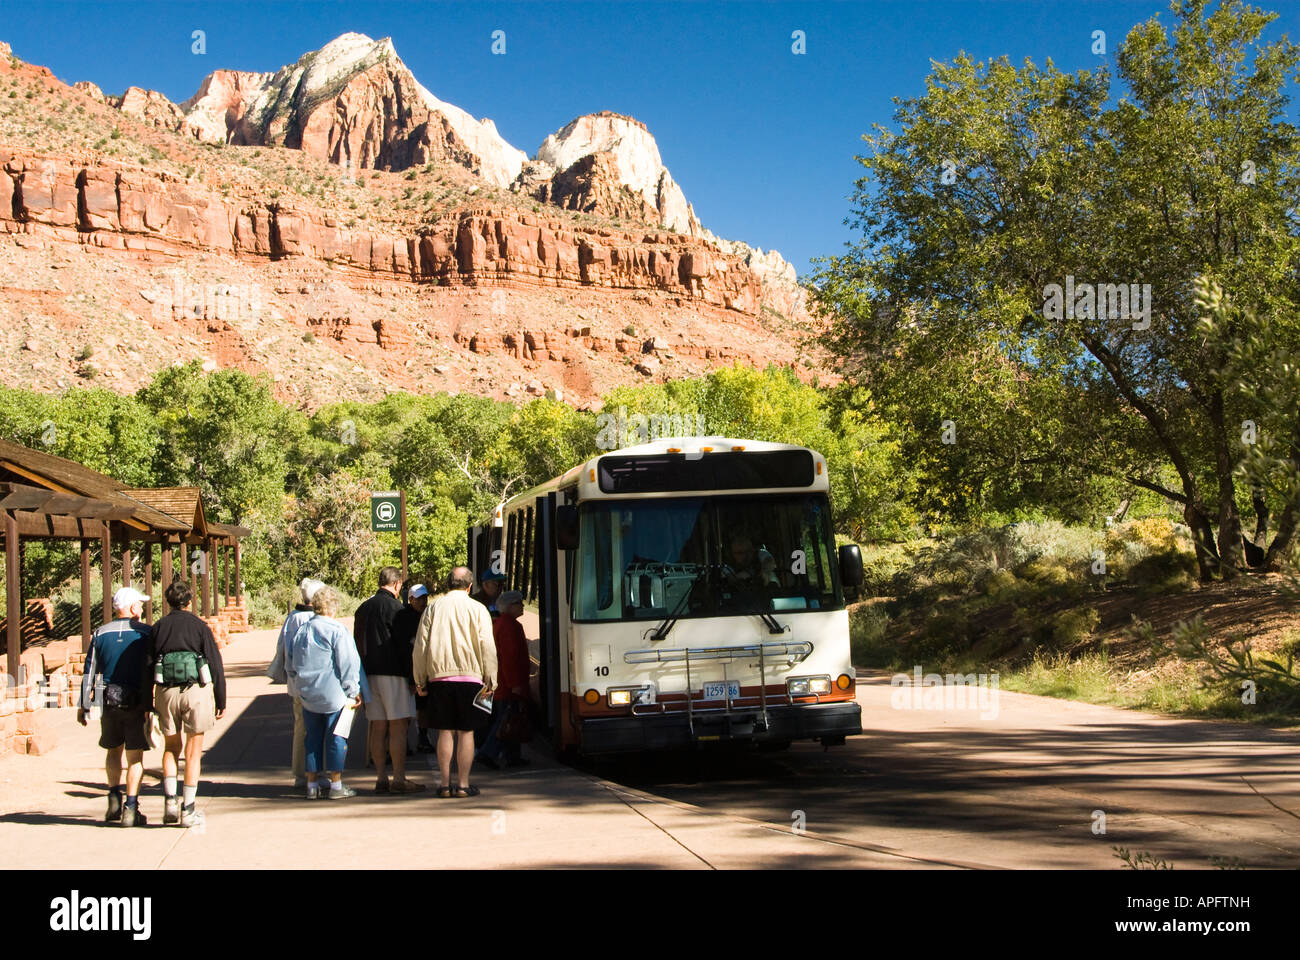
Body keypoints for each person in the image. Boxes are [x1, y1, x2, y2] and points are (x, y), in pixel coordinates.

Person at [413, 566, 497, 798]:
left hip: (439, 677)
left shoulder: (432, 609)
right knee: (466, 732)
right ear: (470, 587)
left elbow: (420, 647)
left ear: (448, 584)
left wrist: (420, 680)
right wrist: (491, 680)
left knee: (445, 732)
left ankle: (443, 783)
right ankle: (463, 784)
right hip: (471, 677)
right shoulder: (478, 609)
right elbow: (487, 646)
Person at [149, 579, 226, 829]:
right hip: (196, 691)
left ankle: (170, 802)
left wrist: (147, 701)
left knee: (171, 747)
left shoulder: (159, 627)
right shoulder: (199, 626)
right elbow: (215, 663)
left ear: (168, 601)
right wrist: (221, 699)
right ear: (190, 601)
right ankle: (188, 809)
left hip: (167, 692)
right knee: (193, 753)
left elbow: (148, 664)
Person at [78, 587, 153, 827]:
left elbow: (89, 671)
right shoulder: (146, 633)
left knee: (112, 750)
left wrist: (83, 704)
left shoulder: (100, 633)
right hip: (136, 701)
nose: (141, 609)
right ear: (132, 608)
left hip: (108, 699)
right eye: (140, 605)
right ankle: (131, 807)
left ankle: (113, 796)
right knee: (135, 757)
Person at [287, 585, 362, 799]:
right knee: (337, 738)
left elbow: (291, 663)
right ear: (333, 607)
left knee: (312, 739)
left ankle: (312, 785)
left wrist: (299, 684)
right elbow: (347, 663)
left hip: (308, 694)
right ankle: (336, 785)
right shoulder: (337, 631)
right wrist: (353, 689)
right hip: (334, 695)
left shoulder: (302, 630)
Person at [354, 567, 425, 794]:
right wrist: (413, 678)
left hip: (369, 674)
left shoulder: (363, 609)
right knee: (398, 727)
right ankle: (399, 778)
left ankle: (380, 777)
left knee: (377, 726)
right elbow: (407, 647)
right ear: (396, 585)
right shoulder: (398, 609)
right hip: (395, 674)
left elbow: (358, 643)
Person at [267, 577, 324, 789]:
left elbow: (282, 647)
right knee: (313, 728)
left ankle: (304, 772)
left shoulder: (292, 618)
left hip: (296, 682)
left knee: (302, 727)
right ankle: (311, 772)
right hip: (312, 682)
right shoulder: (311, 619)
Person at [475, 590, 530, 770]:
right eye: (520, 603)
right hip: (507, 684)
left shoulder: (500, 624)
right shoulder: (510, 626)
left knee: (510, 719)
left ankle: (512, 756)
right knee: (506, 720)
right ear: (511, 606)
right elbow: (510, 657)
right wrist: (515, 684)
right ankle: (487, 753)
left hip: (500, 682)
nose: (522, 606)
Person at [393, 583, 434, 752]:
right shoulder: (402, 617)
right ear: (410, 599)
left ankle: (423, 738)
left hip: (426, 669)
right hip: (407, 669)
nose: (423, 601)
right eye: (419, 598)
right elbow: (401, 645)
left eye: (425, 598)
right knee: (406, 709)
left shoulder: (430, 615)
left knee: (423, 707)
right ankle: (403, 742)